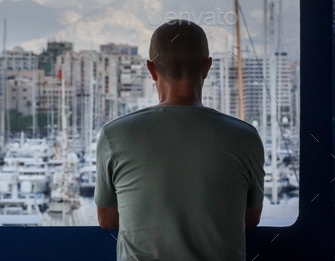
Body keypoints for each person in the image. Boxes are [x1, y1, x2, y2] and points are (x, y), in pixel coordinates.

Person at [95, 19, 265, 261]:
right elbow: (250, 218)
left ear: (151, 70)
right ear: (207, 67)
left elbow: (107, 219)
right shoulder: (245, 137)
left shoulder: (114, 135)